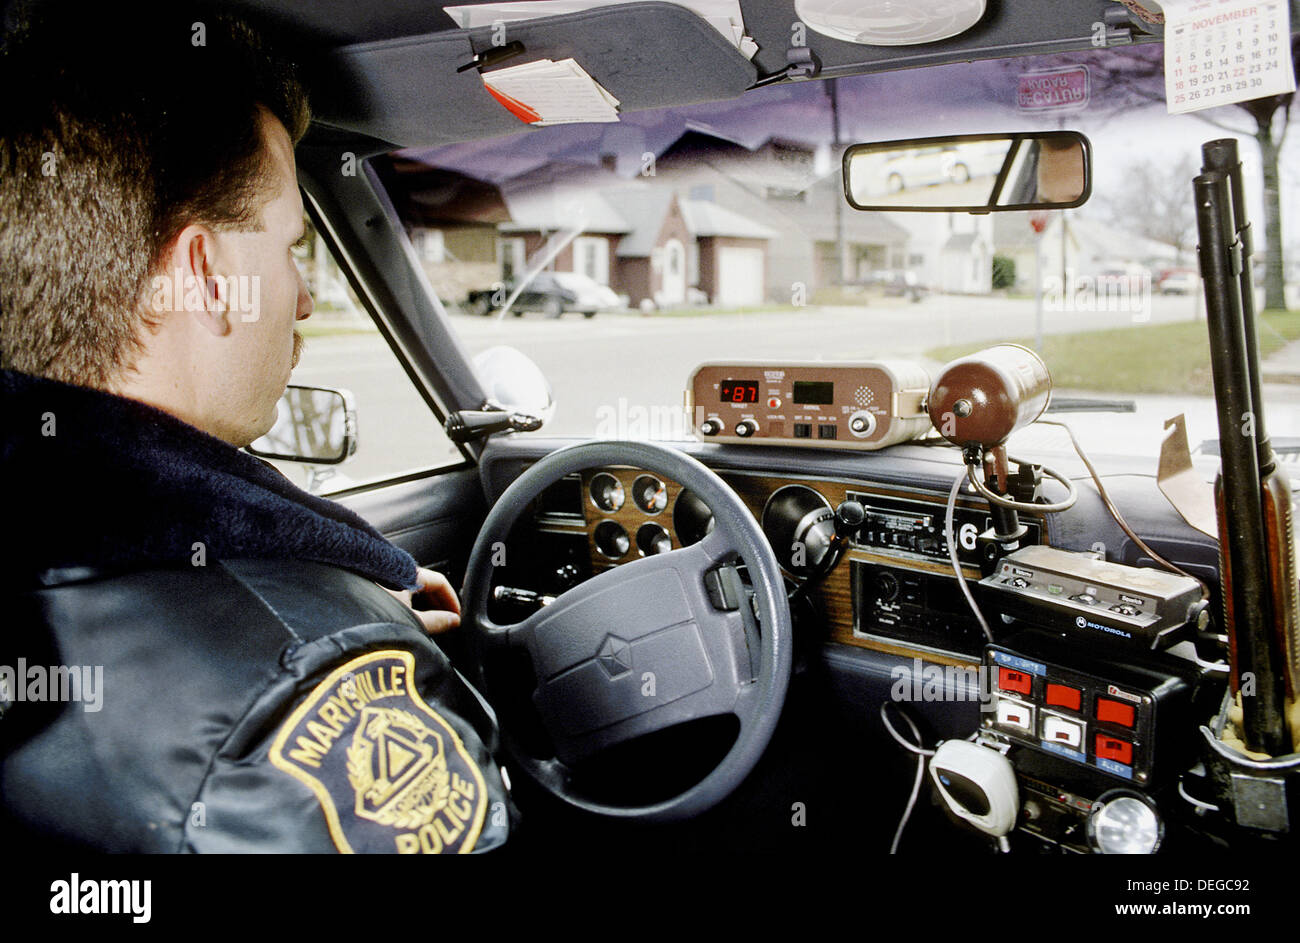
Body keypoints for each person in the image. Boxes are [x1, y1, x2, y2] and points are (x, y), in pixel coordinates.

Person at [0, 4, 511, 853]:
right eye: (291, 252)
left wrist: (328, 616)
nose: (305, 298)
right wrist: (340, 652)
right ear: (204, 276)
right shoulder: (317, 714)